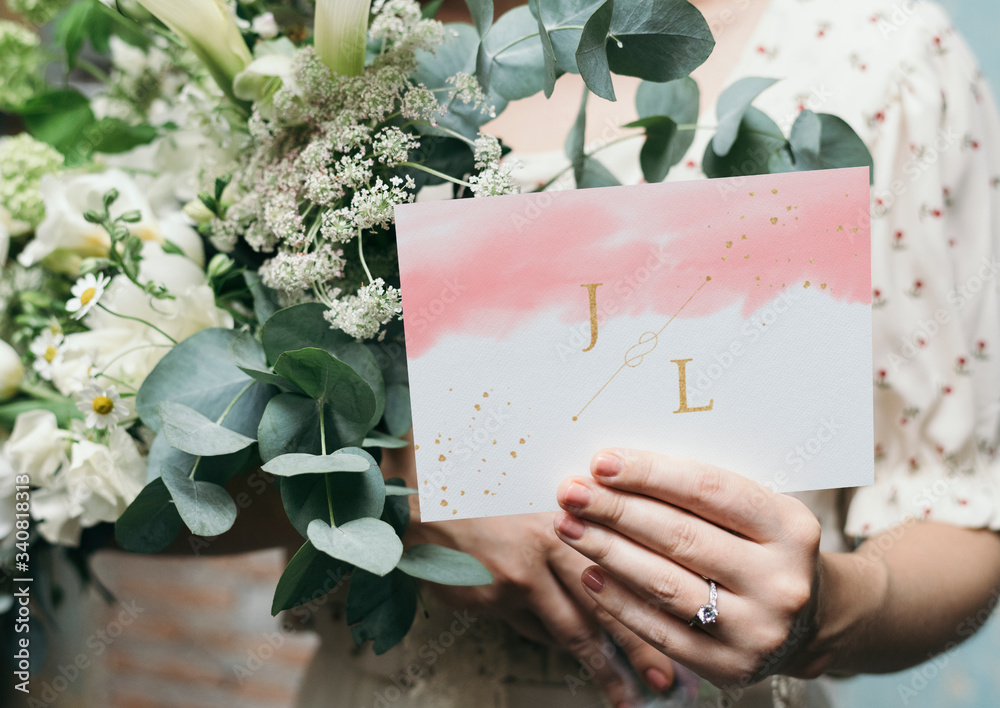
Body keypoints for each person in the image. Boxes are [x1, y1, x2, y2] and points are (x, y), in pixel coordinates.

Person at [296, 0, 1000, 706]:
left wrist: (824, 613)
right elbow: (204, 499)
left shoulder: (876, 56)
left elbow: (962, 509)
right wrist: (389, 490)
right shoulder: (339, 51)